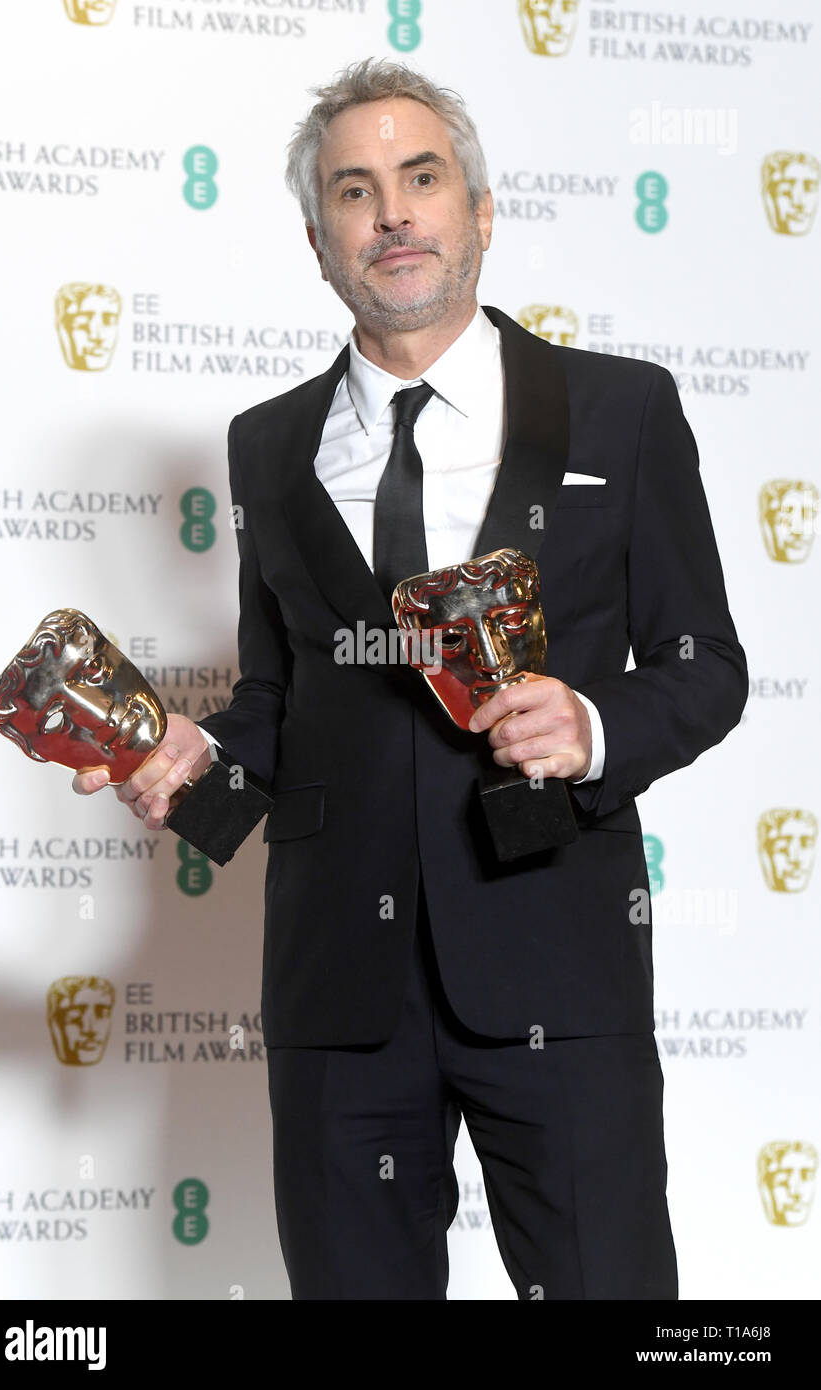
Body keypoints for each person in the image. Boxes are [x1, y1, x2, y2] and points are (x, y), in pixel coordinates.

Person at [74, 58, 748, 1300]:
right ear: (318, 237)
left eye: (421, 178)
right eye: (354, 189)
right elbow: (284, 696)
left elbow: (705, 666)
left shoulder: (621, 411)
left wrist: (591, 722)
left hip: (557, 953)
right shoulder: (266, 444)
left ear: (477, 212)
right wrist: (204, 761)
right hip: (342, 990)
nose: (391, 212)